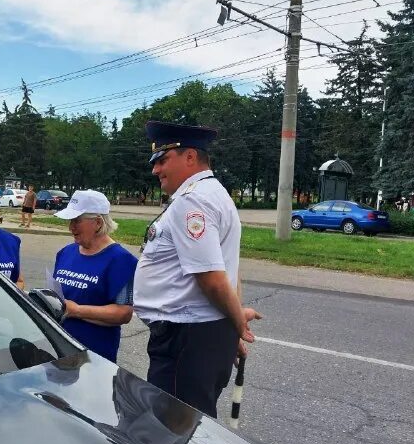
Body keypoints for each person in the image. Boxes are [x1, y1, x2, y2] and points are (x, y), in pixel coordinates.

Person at [133, 121, 260, 418]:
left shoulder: (192, 202)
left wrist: (238, 325)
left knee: (173, 431)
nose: (155, 170)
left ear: (190, 157)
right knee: (192, 426)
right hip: (200, 335)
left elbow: (213, 280)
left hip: (185, 339)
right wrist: (232, 324)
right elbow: (230, 270)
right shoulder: (212, 194)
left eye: (163, 160)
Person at [52, 190, 138, 363]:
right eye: (70, 221)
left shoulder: (121, 261)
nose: (71, 227)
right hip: (59, 349)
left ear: (98, 223)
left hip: (95, 357)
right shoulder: (66, 253)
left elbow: (123, 313)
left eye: (77, 221)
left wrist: (77, 311)